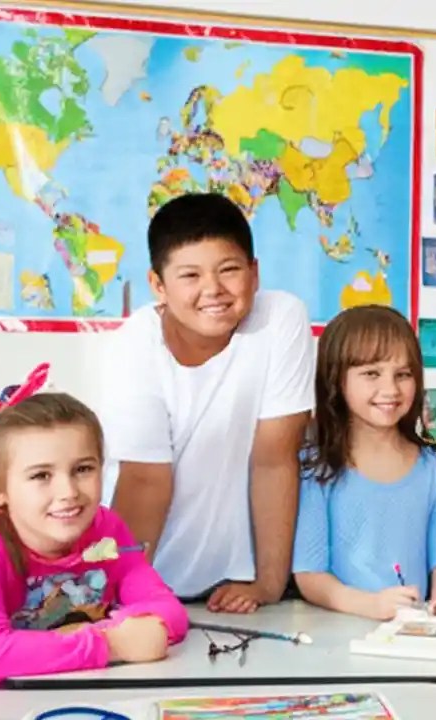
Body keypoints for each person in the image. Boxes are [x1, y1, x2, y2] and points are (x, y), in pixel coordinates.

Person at [0, 393, 188, 715]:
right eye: (41, 476)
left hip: (34, 701)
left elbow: (167, 608)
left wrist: (138, 629)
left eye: (83, 469)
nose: (68, 492)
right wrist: (113, 642)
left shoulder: (106, 526)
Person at [102, 193, 315, 613]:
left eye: (229, 270)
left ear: (254, 274)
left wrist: (269, 583)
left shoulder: (281, 318)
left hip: (234, 584)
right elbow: (145, 480)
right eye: (190, 276)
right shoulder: (134, 345)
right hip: (144, 574)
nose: (213, 290)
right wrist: (121, 597)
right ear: (158, 286)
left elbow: (274, 458)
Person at [291, 306, 436, 620]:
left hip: (410, 640)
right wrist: (370, 605)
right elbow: (309, 576)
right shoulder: (315, 467)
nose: (391, 389)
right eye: (371, 373)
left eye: (403, 374)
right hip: (336, 640)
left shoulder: (433, 470)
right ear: (336, 379)